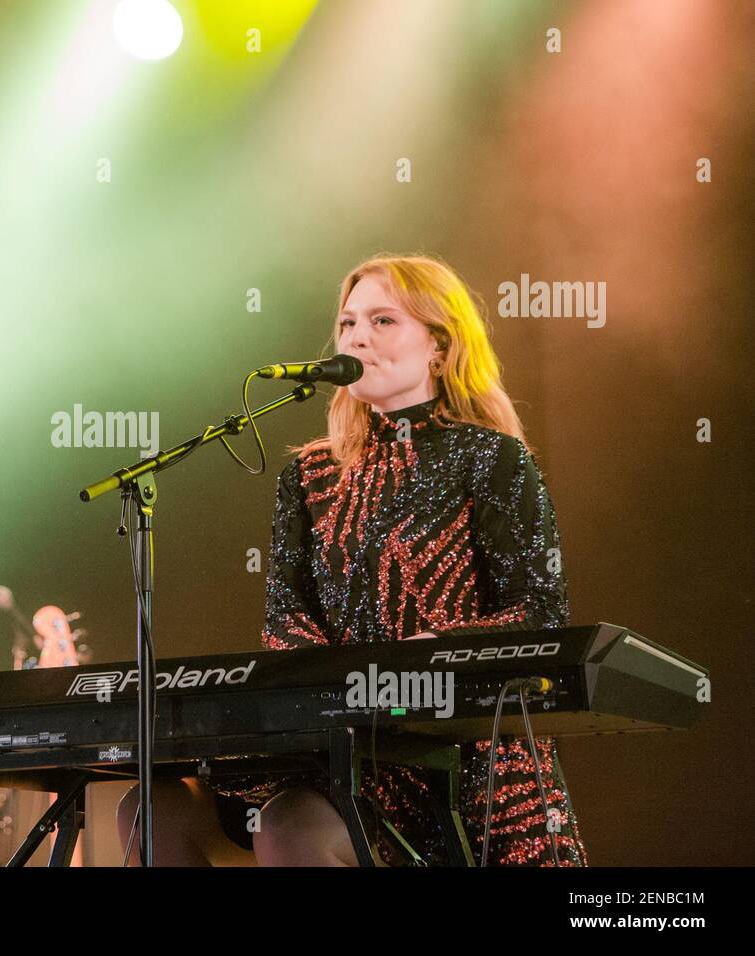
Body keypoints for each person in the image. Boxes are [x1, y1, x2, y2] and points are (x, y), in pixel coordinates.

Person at [116, 254, 589, 866]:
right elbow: (285, 621)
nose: (357, 335)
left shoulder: (491, 458)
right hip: (337, 742)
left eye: (383, 320)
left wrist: (426, 652)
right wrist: (336, 687)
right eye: (347, 324)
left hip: (454, 749)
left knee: (291, 828)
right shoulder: (308, 474)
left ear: (440, 348)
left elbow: (540, 613)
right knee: (147, 808)